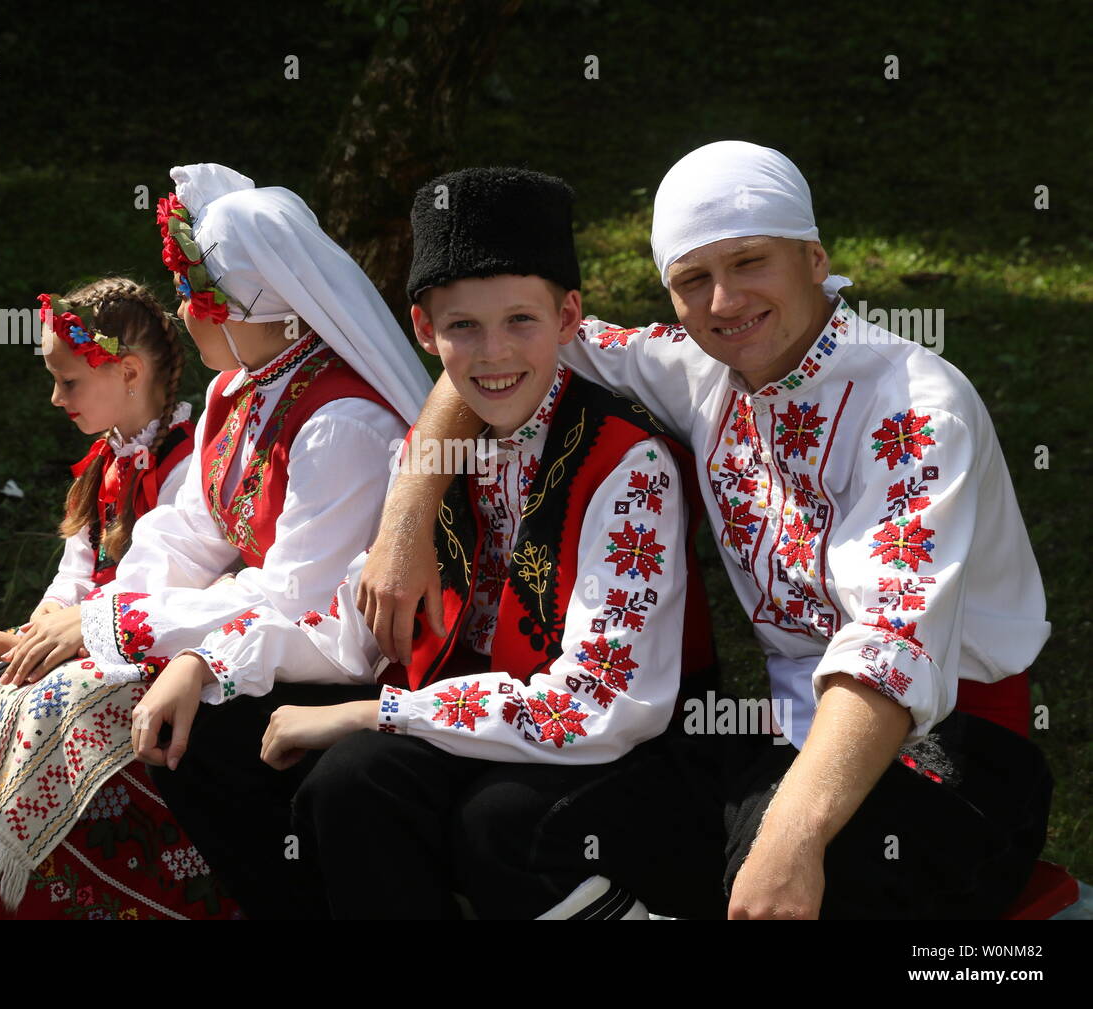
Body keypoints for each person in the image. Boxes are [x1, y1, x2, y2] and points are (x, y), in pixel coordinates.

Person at [355, 142, 1053, 919]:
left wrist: (790, 838)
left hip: (945, 752)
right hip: (778, 737)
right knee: (515, 826)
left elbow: (889, 649)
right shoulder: (702, 366)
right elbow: (502, 345)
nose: (724, 301)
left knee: (792, 880)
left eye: (750, 261)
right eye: (693, 279)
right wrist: (409, 512)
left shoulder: (917, 411)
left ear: (814, 259)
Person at [0, 163, 431, 920]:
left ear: (242, 304)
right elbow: (186, 533)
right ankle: (2, 897)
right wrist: (98, 617)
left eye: (190, 292)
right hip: (243, 640)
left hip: (316, 662)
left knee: (75, 717)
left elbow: (296, 599)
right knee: (40, 696)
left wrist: (114, 627)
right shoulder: (241, 389)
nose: (180, 308)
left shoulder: (340, 422)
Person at [179, 166, 717, 918]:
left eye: (520, 321)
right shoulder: (428, 456)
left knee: (490, 820)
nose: (493, 353)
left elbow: (600, 702)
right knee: (295, 763)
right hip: (474, 705)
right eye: (463, 326)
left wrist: (377, 713)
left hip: (625, 742)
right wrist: (210, 660)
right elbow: (360, 615)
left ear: (569, 319)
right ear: (424, 331)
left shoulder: (628, 465)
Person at [0, 277, 194, 918]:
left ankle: (13, 869)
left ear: (130, 372)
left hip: (146, 646)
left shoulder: (185, 463)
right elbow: (73, 573)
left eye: (69, 381)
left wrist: (62, 634)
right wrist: (33, 631)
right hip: (85, 633)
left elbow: (161, 583)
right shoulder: (107, 462)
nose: (55, 397)